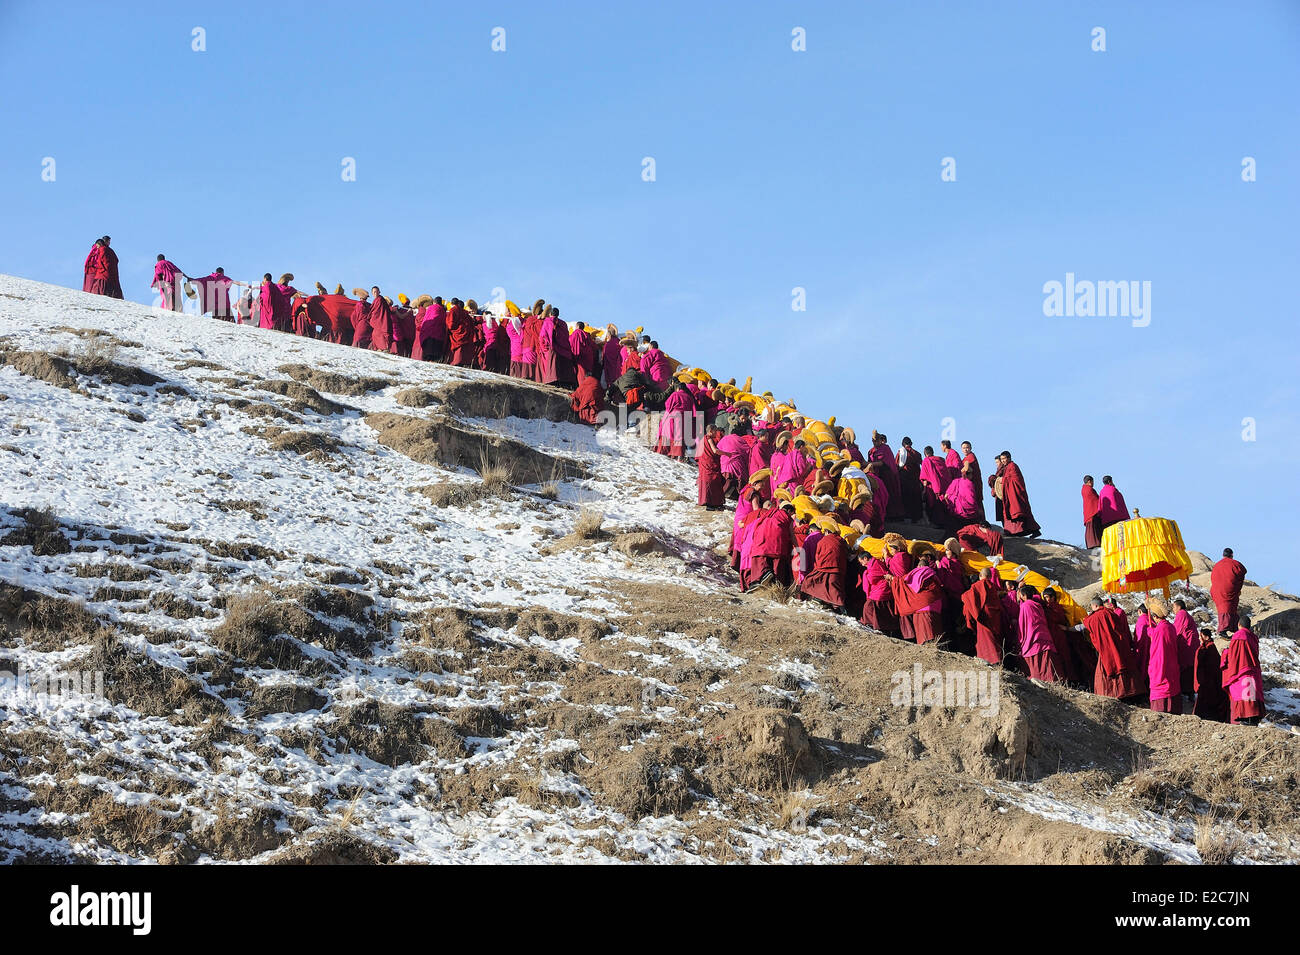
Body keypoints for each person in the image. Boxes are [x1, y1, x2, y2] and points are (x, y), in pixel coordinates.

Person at [1083, 596, 1145, 702]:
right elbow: (1120, 629)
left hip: (1105, 649)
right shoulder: (1111, 613)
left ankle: (1112, 695)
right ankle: (1132, 694)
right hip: (1118, 647)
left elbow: (1090, 631)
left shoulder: (1092, 618)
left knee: (1108, 670)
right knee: (1123, 665)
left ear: (1095, 606)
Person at [1221, 614, 1265, 725]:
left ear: (1238, 625)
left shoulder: (1238, 635)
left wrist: (1225, 652)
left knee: (1243, 695)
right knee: (1251, 696)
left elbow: (1234, 655)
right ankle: (1253, 720)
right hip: (1253, 670)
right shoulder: (1253, 637)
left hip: (1242, 671)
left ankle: (1244, 719)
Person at [1016, 585, 1064, 682]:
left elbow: (1022, 623)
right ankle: (1053, 679)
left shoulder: (1024, 606)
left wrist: (1021, 638)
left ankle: (1038, 678)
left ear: (1023, 595)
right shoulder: (1038, 605)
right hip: (1043, 634)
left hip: (1032, 636)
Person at [1144, 597, 1183, 714]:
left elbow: (1158, 653)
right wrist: (1152, 632)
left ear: (1155, 617)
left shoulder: (1160, 630)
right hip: (1172, 664)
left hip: (1161, 666)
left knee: (1161, 688)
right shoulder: (1169, 626)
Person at [800, 522, 848, 610]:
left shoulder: (823, 541)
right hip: (838, 570)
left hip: (823, 567)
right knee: (835, 589)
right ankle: (823, 601)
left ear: (827, 531)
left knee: (809, 580)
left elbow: (818, 555)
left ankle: (837, 606)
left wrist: (817, 566)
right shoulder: (840, 541)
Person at [962, 567, 1004, 665]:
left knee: (985, 637)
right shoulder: (993, 587)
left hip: (984, 616)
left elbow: (966, 597)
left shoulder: (978, 585)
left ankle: (991, 659)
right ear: (990, 576)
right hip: (994, 616)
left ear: (980, 576)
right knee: (993, 637)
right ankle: (997, 659)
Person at [993, 451, 1041, 537]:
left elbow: (1016, 480)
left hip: (1016, 495)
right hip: (1011, 494)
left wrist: (1003, 480)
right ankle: (1017, 532)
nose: (1003, 461)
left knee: (1020, 512)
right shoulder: (1006, 467)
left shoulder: (1013, 466)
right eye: (1002, 459)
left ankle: (1033, 531)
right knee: (1014, 513)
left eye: (1004, 458)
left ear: (1009, 458)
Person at [1193, 629, 1230, 722]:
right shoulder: (1208, 647)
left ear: (1206, 637)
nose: (1199, 638)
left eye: (1201, 636)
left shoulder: (1209, 649)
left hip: (1209, 682)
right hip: (1211, 681)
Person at [1210, 548, 1247, 634]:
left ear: (1223, 555)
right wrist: (1237, 588)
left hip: (1217, 590)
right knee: (1229, 607)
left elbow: (1213, 578)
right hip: (1230, 589)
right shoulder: (1235, 564)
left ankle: (1233, 627)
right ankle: (1224, 629)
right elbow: (1243, 571)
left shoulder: (1217, 565)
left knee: (1224, 608)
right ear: (1232, 555)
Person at [919, 445, 952, 523]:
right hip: (946, 485)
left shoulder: (926, 461)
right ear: (933, 452)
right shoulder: (941, 460)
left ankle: (937, 523)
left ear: (925, 454)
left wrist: (924, 490)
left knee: (936, 505)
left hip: (934, 487)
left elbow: (925, 477)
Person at [695, 424, 725, 509]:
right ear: (711, 431)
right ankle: (711, 503)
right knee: (713, 482)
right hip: (709, 464)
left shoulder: (702, 439)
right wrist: (727, 454)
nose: (716, 433)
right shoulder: (709, 439)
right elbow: (715, 451)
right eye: (715, 431)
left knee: (706, 483)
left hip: (705, 464)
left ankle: (708, 502)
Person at [896, 437, 923, 522]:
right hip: (915, 481)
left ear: (903, 444)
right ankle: (916, 518)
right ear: (911, 443)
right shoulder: (917, 454)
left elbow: (896, 465)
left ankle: (906, 516)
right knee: (915, 499)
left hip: (904, 480)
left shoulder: (901, 453)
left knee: (905, 498)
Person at [959, 441, 986, 521]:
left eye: (967, 448)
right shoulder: (965, 458)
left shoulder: (971, 457)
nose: (965, 450)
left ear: (970, 448)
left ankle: (980, 521)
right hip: (970, 484)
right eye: (964, 448)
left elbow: (967, 468)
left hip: (974, 484)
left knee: (976, 501)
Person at [1081, 475, 1102, 548]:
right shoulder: (1089, 489)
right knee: (1094, 528)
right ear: (1089, 481)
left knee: (1090, 529)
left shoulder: (1084, 489)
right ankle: (1095, 544)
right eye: (1093, 482)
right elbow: (1095, 500)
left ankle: (1090, 544)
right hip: (1092, 511)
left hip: (1088, 511)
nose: (1093, 483)